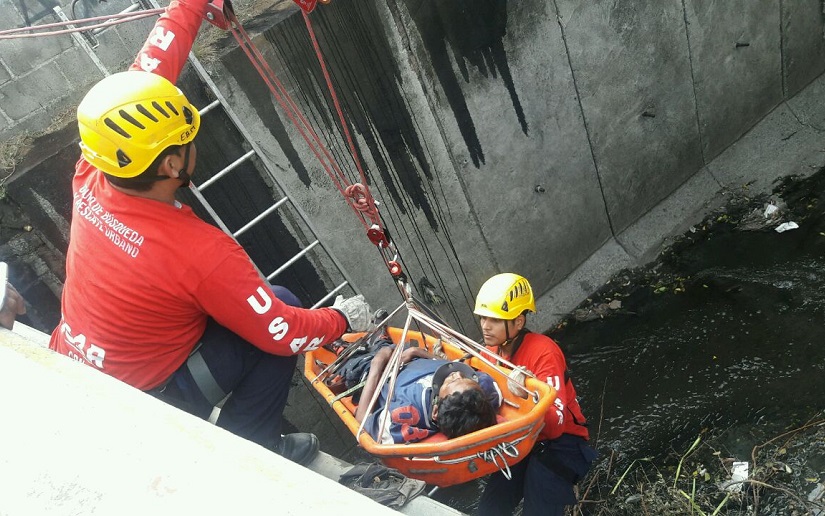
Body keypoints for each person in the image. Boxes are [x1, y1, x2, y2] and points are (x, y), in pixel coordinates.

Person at [47, 0, 372, 466]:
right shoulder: (200, 252)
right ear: (172, 163)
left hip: (78, 367)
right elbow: (279, 333)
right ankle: (251, 454)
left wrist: (193, 4)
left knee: (257, 304)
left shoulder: (91, 174)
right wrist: (342, 320)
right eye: (187, 138)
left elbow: (151, 67)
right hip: (145, 404)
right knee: (282, 309)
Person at [474, 273, 596, 516]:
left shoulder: (543, 353)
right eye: (483, 318)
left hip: (561, 445)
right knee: (490, 510)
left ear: (518, 322)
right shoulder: (491, 352)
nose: (485, 326)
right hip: (522, 439)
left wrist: (528, 395)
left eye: (495, 320)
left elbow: (555, 426)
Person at [354, 345, 500, 444]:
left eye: (449, 382)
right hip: (411, 355)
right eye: (464, 378)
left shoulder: (407, 413)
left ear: (435, 411)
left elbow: (362, 423)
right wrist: (416, 352)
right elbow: (450, 367)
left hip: (379, 368)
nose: (457, 373)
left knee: (360, 356)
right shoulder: (480, 392)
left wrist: (377, 364)